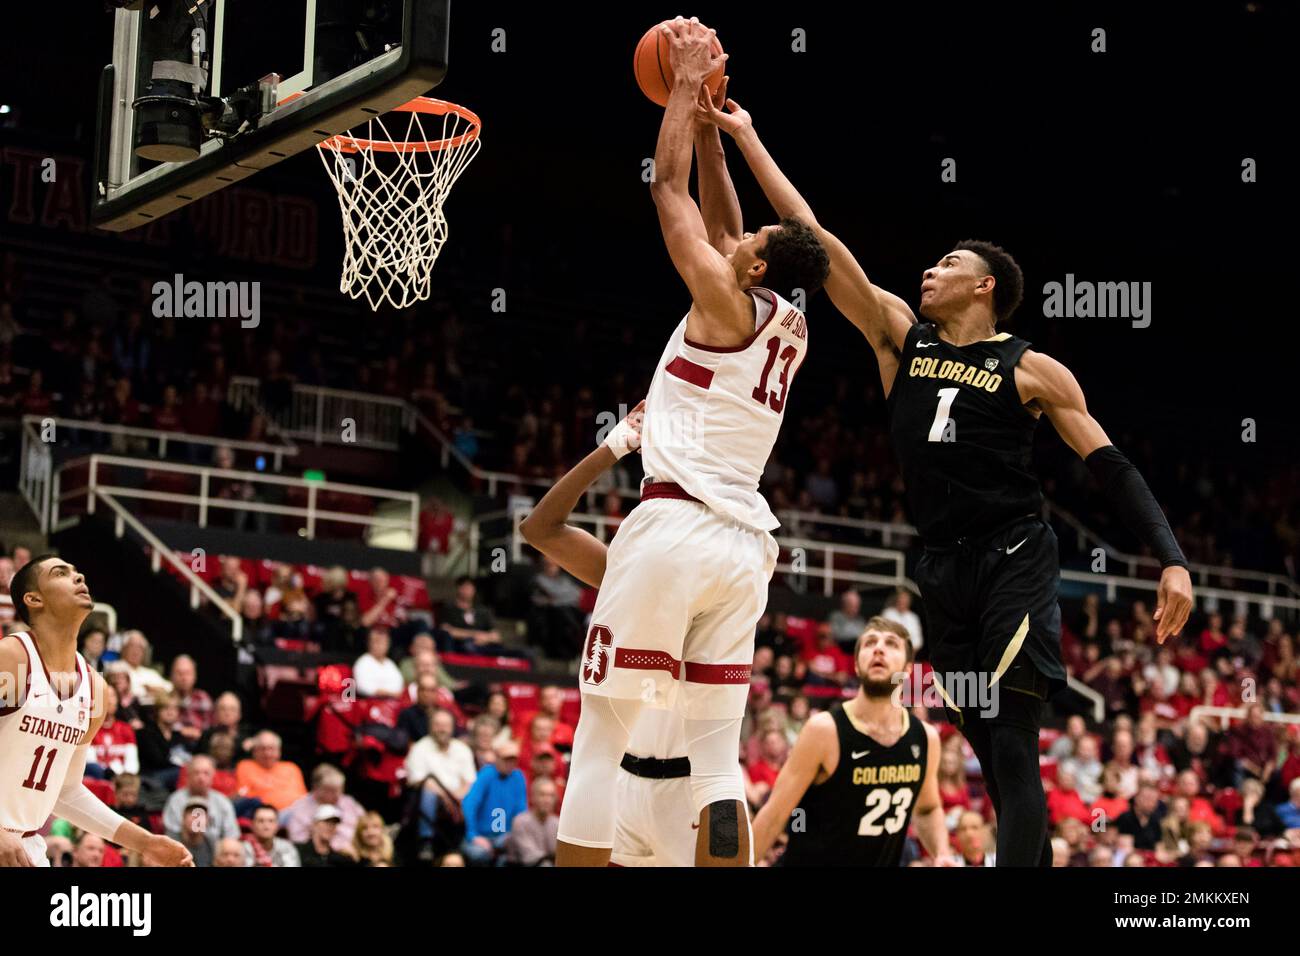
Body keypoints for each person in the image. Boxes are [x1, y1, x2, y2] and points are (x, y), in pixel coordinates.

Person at [701, 74, 1194, 867]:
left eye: (947, 263)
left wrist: (1170, 560)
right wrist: (745, 135)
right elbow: (812, 238)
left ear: (985, 286)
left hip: (1014, 555)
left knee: (1013, 737)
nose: (929, 271)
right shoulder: (901, 336)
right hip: (938, 565)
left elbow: (1112, 465)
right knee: (988, 745)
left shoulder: (1033, 370)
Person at [556, 24, 828, 870]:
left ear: (752, 270)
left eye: (742, 249)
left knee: (600, 731)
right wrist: (713, 122)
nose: (732, 241)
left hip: (673, 529)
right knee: (717, 754)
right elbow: (726, 218)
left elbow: (667, 190)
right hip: (745, 548)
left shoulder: (719, 297)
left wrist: (679, 87)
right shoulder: (789, 319)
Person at [521, 401, 733, 867]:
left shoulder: (727, 567)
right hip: (619, 782)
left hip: (689, 787)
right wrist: (613, 447)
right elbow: (539, 528)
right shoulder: (624, 573)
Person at [0, 555, 191, 867]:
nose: (79, 577)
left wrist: (145, 842)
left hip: (24, 847)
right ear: (34, 599)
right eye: (61, 573)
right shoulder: (13, 658)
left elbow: (66, 792)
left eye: (78, 571)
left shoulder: (95, 689)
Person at [753, 618, 952, 866]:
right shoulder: (824, 730)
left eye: (891, 644)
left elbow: (928, 809)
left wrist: (942, 852)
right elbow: (774, 815)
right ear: (857, 666)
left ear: (909, 668)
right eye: (870, 643)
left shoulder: (925, 738)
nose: (879, 648)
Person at [403, 707, 478, 859]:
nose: (442, 729)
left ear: (452, 728)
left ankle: (473, 838)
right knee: (428, 793)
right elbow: (421, 782)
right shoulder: (420, 748)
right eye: (438, 725)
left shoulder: (462, 749)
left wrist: (457, 797)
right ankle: (426, 841)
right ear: (431, 727)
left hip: (458, 798)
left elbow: (469, 782)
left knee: (475, 794)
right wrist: (446, 796)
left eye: (446, 725)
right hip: (431, 799)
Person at [461, 739, 527, 866]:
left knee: (518, 847)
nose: (510, 763)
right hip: (482, 834)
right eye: (506, 759)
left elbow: (521, 811)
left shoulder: (518, 777)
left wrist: (515, 834)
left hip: (505, 835)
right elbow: (470, 804)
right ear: (496, 758)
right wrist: (473, 835)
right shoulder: (487, 774)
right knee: (479, 854)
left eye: (513, 760)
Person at [162, 754, 240, 851]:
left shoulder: (223, 802)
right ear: (188, 776)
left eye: (206, 773)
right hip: (182, 853)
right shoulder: (176, 801)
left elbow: (231, 836)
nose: (201, 777)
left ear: (213, 776)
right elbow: (171, 837)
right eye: (196, 773)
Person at [280, 763, 365, 849]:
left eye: (340, 789)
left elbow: (366, 824)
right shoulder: (301, 808)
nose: (337, 795)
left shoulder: (349, 803)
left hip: (354, 851)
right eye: (331, 790)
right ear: (316, 788)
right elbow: (298, 840)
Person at [235, 730, 307, 810]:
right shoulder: (245, 766)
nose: (267, 754)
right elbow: (243, 796)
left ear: (279, 751)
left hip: (292, 813)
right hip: (260, 814)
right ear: (254, 751)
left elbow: (302, 797)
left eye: (271, 749)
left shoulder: (291, 768)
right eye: (262, 749)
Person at [505, 777, 560, 866]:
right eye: (542, 795)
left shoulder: (557, 823)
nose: (547, 800)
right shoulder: (520, 822)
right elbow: (530, 857)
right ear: (533, 797)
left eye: (551, 795)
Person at [352, 627, 405, 698]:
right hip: (370, 702)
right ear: (369, 643)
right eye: (377, 641)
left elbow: (399, 685)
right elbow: (362, 687)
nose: (380, 645)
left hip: (392, 702)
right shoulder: (363, 662)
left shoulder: (390, 663)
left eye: (384, 642)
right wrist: (385, 693)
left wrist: (390, 693)